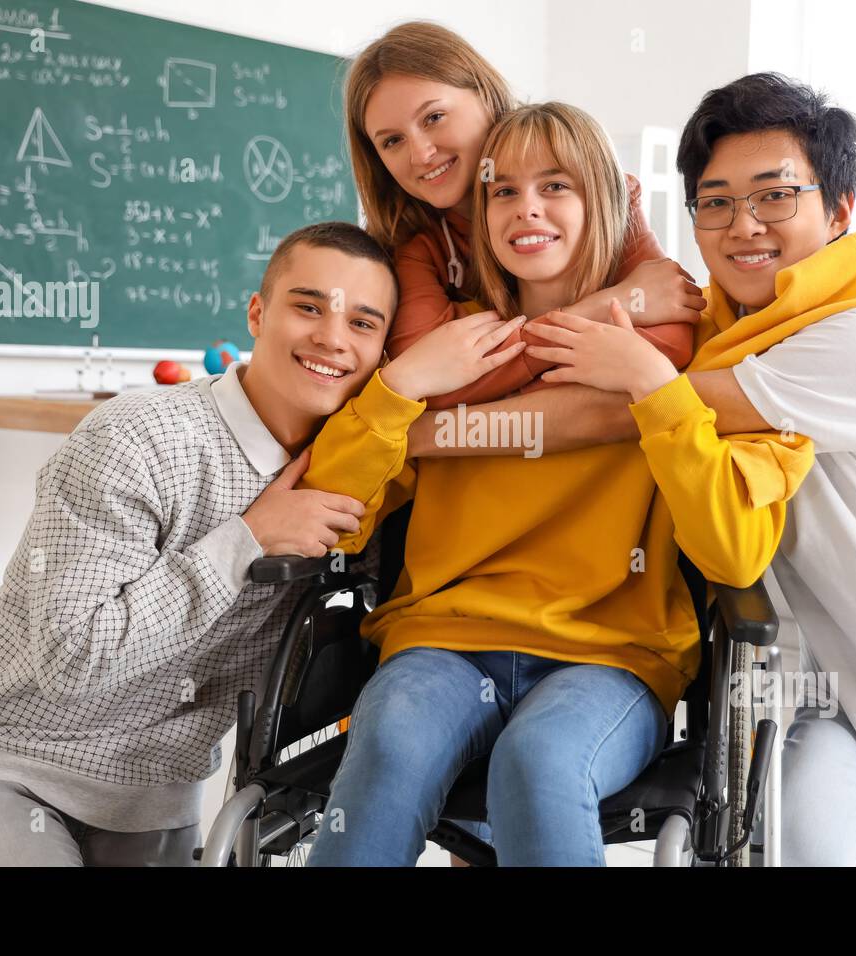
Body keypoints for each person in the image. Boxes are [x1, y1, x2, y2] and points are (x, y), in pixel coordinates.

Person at [439, 73, 856, 866]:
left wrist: (419, 428)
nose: (742, 224)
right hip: (848, 719)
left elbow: (627, 407)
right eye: (714, 202)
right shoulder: (737, 332)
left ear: (840, 210)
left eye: (774, 196)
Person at [0, 222, 515, 866]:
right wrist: (247, 541)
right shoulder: (135, 439)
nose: (332, 337)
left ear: (387, 352)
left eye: (363, 324)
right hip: (1, 766)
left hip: (155, 799)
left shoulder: (363, 473)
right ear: (257, 312)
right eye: (308, 307)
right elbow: (72, 660)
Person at [300, 102, 812, 867]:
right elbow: (340, 511)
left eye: (555, 186)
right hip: (443, 642)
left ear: (603, 200)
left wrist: (651, 393)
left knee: (539, 762)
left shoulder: (687, 349)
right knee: (388, 751)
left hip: (612, 657)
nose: (525, 208)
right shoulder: (448, 347)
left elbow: (734, 556)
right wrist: (401, 389)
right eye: (501, 191)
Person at [345, 21, 706, 409]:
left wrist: (491, 393)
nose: (420, 154)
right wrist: (600, 309)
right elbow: (425, 382)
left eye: (433, 118)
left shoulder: (605, 193)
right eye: (393, 141)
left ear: (486, 96)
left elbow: (668, 338)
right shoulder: (411, 242)